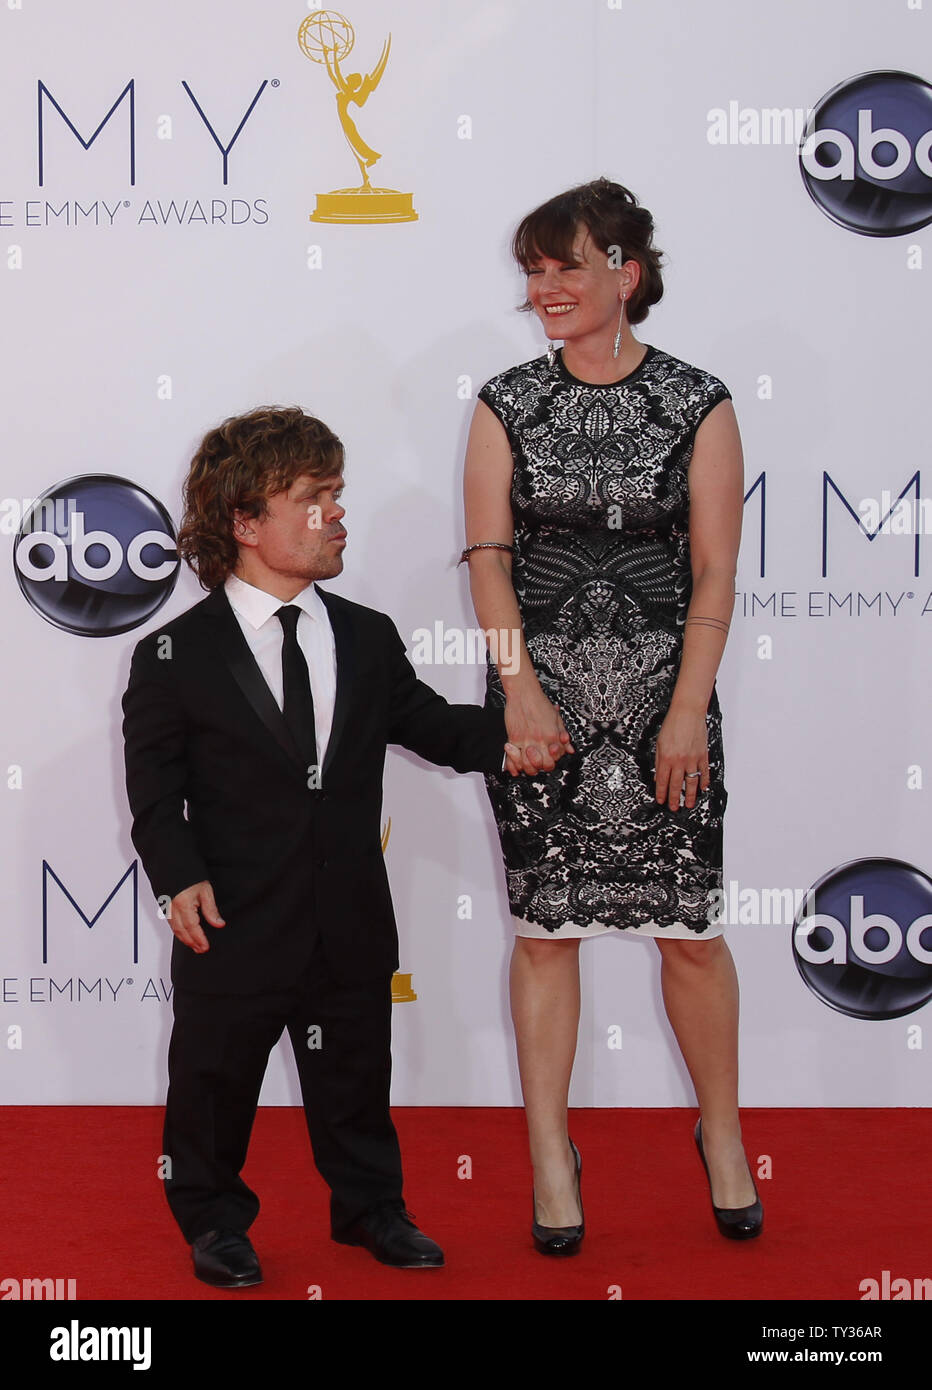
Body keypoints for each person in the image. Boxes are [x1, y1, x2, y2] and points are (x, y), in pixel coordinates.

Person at [121, 406, 558, 1287]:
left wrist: (521, 734)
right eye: (314, 498)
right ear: (246, 523)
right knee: (213, 1086)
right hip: (234, 919)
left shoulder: (365, 634)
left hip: (350, 914)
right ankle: (213, 1222)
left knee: (356, 1080)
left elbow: (433, 728)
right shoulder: (174, 653)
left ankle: (370, 1212)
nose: (337, 515)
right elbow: (155, 792)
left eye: (338, 495)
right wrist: (179, 878)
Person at [462, 177, 761, 1254]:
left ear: (622, 273)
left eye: (565, 267)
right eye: (532, 271)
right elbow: (489, 563)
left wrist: (684, 711)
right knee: (545, 938)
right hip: (537, 709)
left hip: (661, 710)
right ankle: (552, 1151)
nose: (543, 288)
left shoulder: (698, 402)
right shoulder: (505, 402)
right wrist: (516, 689)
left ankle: (721, 1134)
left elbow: (715, 572)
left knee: (689, 937)